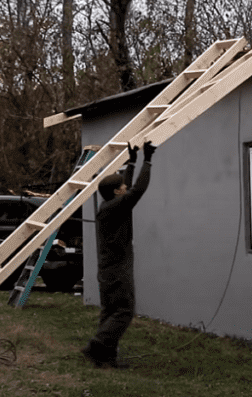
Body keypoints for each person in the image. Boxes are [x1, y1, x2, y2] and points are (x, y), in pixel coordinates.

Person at [81, 140, 156, 368]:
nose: (125, 188)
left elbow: (129, 188)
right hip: (117, 269)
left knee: (110, 311)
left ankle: (104, 358)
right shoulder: (115, 208)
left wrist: (131, 161)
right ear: (116, 192)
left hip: (108, 269)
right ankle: (97, 345)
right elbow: (138, 190)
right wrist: (148, 160)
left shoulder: (110, 206)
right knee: (124, 311)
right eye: (122, 187)